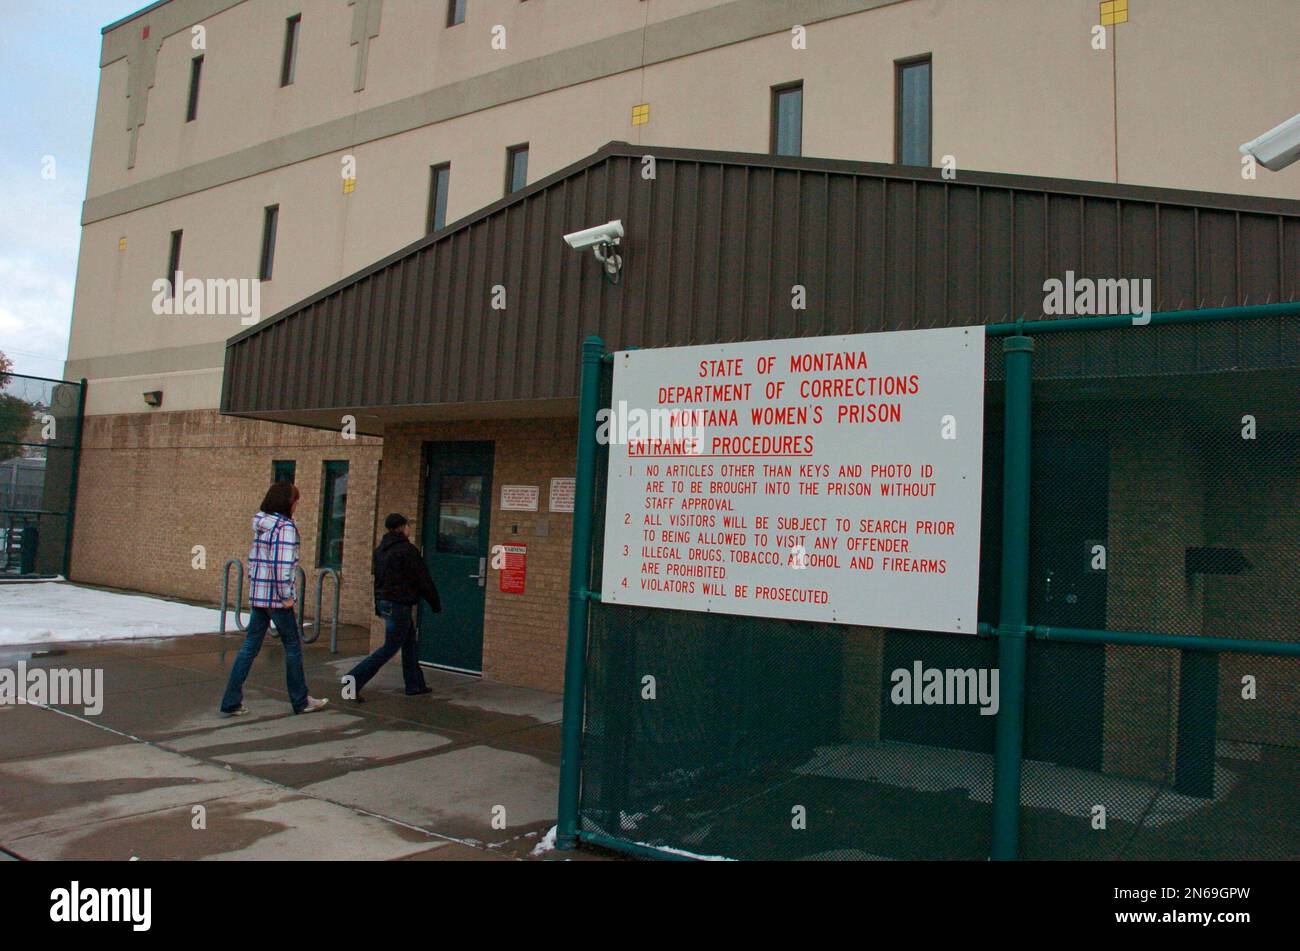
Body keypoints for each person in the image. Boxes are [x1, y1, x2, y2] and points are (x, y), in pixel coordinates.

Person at [220, 482, 329, 716]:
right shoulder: (285, 528)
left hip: (259, 595)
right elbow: (282, 565)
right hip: (277, 598)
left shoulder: (262, 525)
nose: (297, 505)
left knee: (250, 646)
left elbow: (253, 561)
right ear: (287, 502)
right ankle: (300, 700)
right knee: (292, 646)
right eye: (295, 500)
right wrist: (286, 596)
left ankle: (231, 700)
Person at [342, 513, 440, 700]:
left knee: (409, 643)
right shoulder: (407, 550)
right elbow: (422, 579)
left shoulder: (380, 550)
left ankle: (414, 684)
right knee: (390, 647)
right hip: (400, 604)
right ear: (403, 527)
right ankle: (353, 679)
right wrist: (434, 601)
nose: (410, 528)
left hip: (386, 602)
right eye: (408, 525)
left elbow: (378, 580)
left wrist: (378, 604)